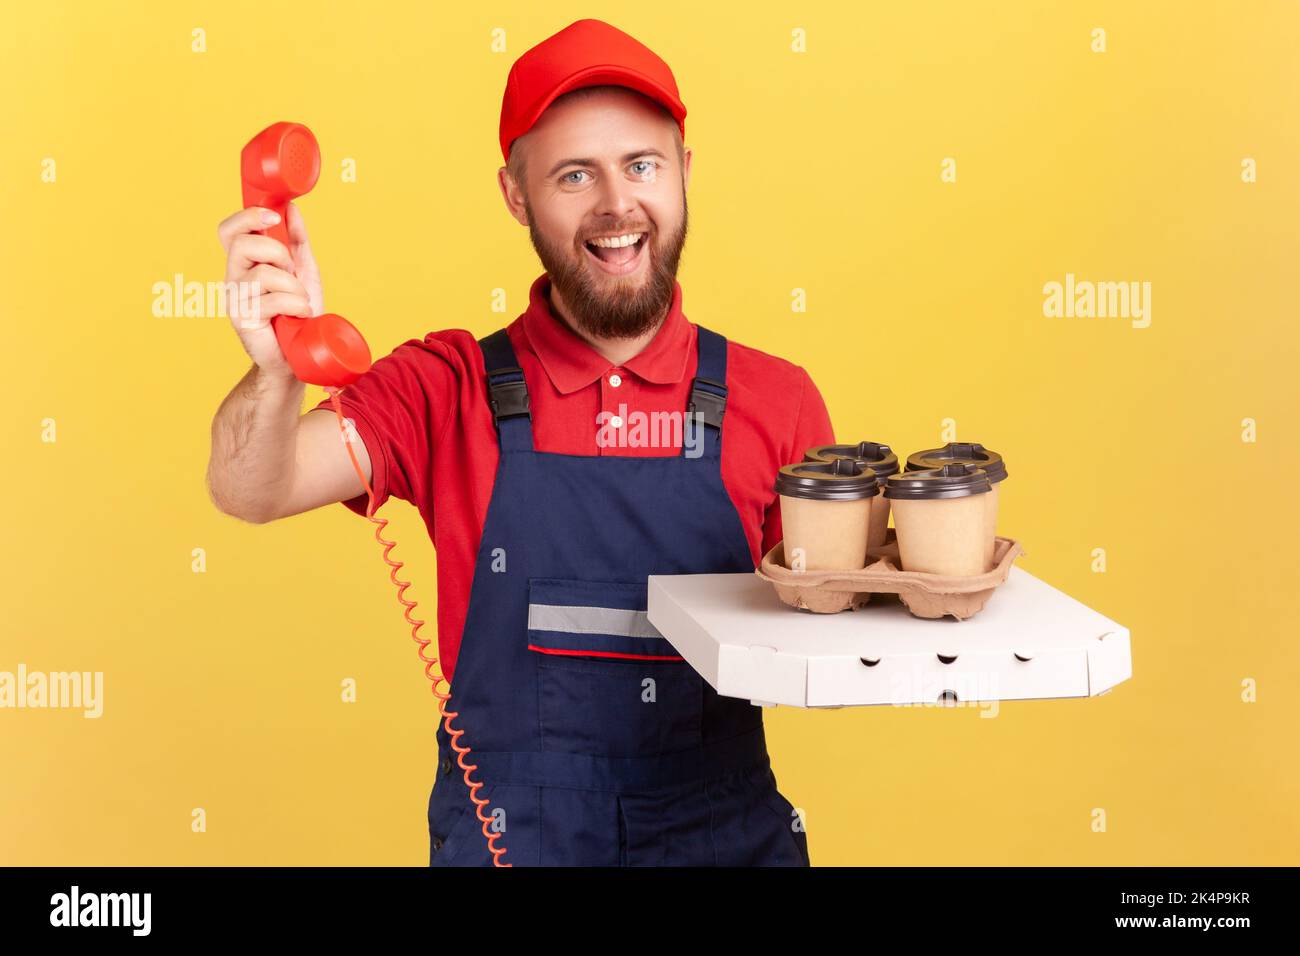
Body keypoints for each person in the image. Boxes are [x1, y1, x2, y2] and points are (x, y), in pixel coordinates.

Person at [208, 18, 833, 866]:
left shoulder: (777, 399)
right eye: (575, 175)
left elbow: (830, 629)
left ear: (683, 173)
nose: (617, 205)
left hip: (723, 838)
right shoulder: (445, 387)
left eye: (641, 165)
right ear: (516, 194)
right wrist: (279, 366)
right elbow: (252, 488)